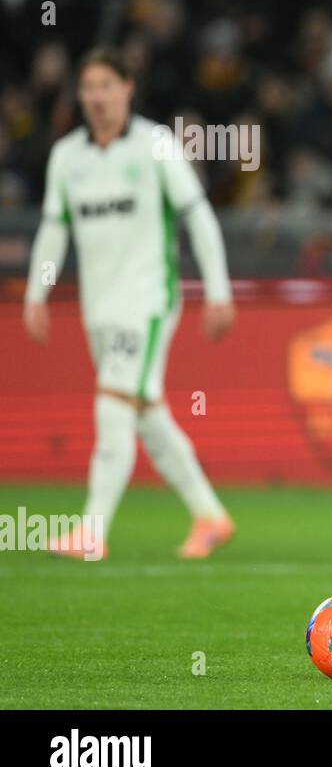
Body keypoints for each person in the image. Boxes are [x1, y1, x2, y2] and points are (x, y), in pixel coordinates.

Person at [22, 48, 237, 560]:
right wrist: (36, 293)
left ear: (127, 88)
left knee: (114, 399)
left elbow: (198, 215)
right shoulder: (67, 156)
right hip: (100, 306)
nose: (96, 97)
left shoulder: (156, 145)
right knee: (145, 411)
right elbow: (55, 228)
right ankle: (210, 515)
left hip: (149, 298)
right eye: (88, 87)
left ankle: (92, 530)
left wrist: (219, 290)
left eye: (105, 85)